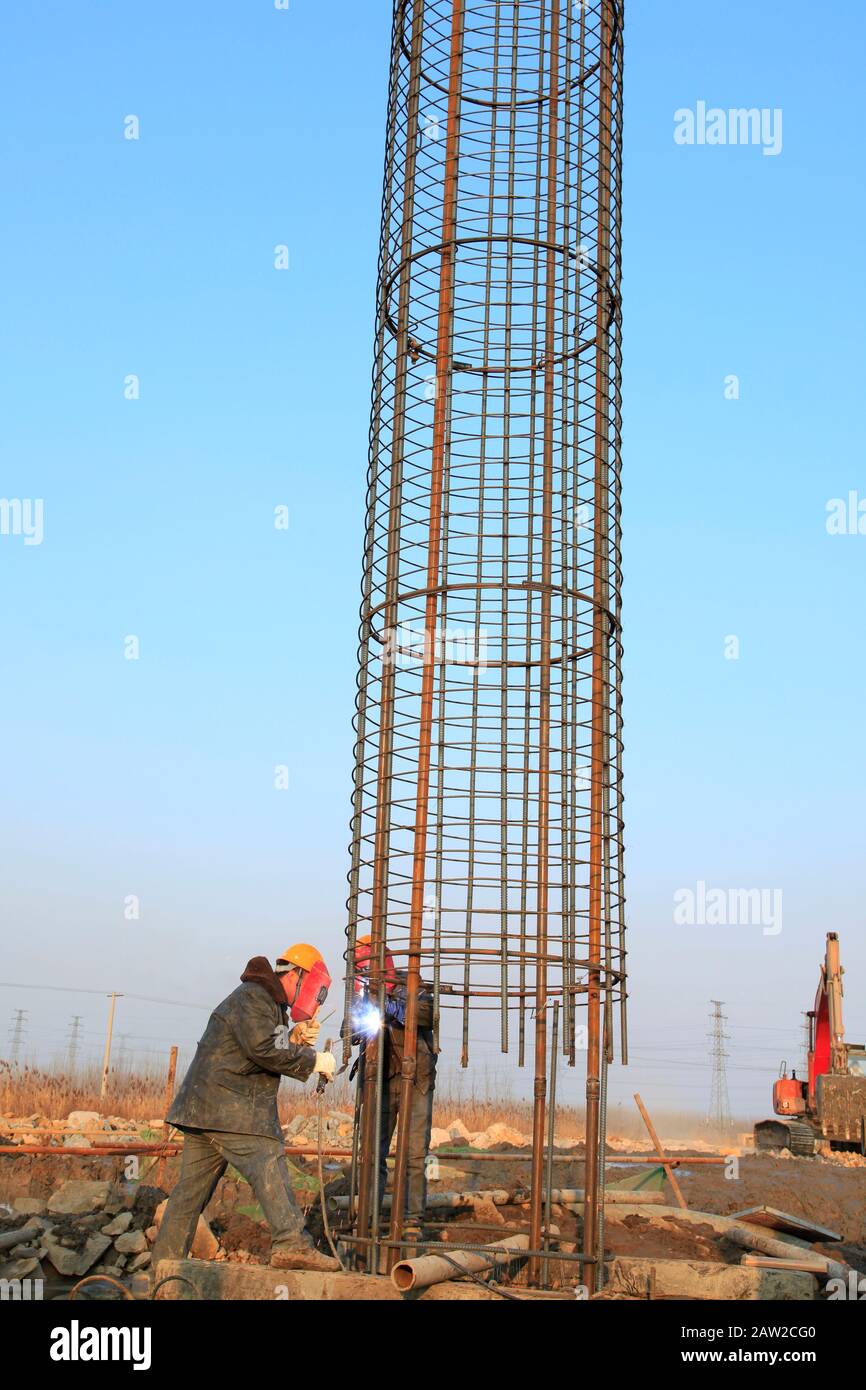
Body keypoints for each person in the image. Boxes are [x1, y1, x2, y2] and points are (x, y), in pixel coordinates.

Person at [152, 945, 338, 1273]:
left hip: (204, 1109)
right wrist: (314, 1060)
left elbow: (268, 1045)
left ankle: (165, 1272)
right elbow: (264, 1049)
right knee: (268, 1156)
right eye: (313, 989)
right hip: (227, 1107)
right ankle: (292, 1244)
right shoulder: (256, 997)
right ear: (297, 975)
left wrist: (295, 1038)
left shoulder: (263, 1001)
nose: (313, 999)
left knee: (188, 1196)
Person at [350, 935, 437, 1232]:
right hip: (379, 1081)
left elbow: (426, 1014)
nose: (363, 973)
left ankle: (412, 1219)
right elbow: (351, 1031)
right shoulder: (362, 994)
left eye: (366, 966)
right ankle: (369, 1217)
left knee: (413, 1155)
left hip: (417, 1081)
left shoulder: (414, 983)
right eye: (360, 969)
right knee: (372, 1152)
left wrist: (393, 1008)